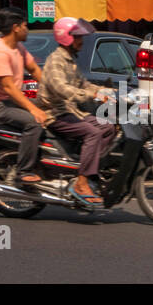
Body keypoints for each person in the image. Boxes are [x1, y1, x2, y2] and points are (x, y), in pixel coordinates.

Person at [38, 16, 117, 206]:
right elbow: (61, 88)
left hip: (72, 112)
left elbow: (84, 84)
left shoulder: (71, 60)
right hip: (55, 114)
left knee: (108, 127)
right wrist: (89, 95)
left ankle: (89, 172)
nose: (81, 41)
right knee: (93, 133)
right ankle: (81, 182)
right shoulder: (56, 60)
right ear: (66, 37)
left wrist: (107, 92)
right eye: (78, 37)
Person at [0, 6, 46, 185]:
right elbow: (9, 87)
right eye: (25, 26)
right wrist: (34, 110)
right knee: (34, 122)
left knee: (54, 109)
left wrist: (53, 89)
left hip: (11, 101)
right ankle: (24, 171)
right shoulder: (0, 51)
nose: (27, 30)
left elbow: (34, 69)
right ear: (16, 27)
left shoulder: (18, 47)